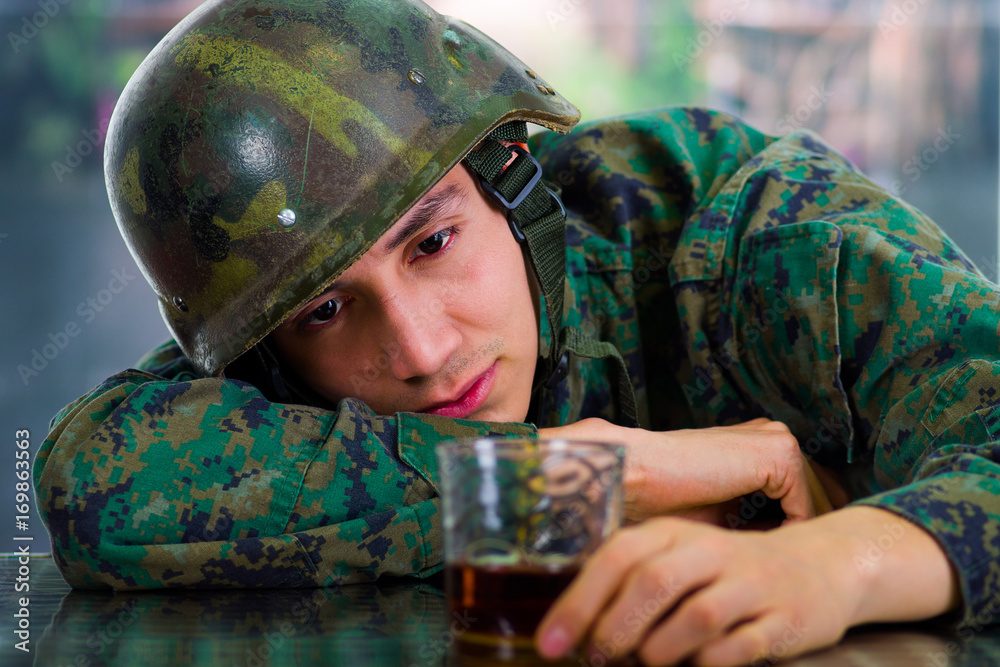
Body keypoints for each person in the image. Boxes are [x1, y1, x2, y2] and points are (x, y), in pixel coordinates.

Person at [32, 0, 1000, 664]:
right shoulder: (276, 352)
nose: (416, 348)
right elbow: (94, 484)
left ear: (515, 183)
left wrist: (835, 566)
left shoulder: (755, 236)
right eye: (326, 308)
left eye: (434, 242)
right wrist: (578, 482)